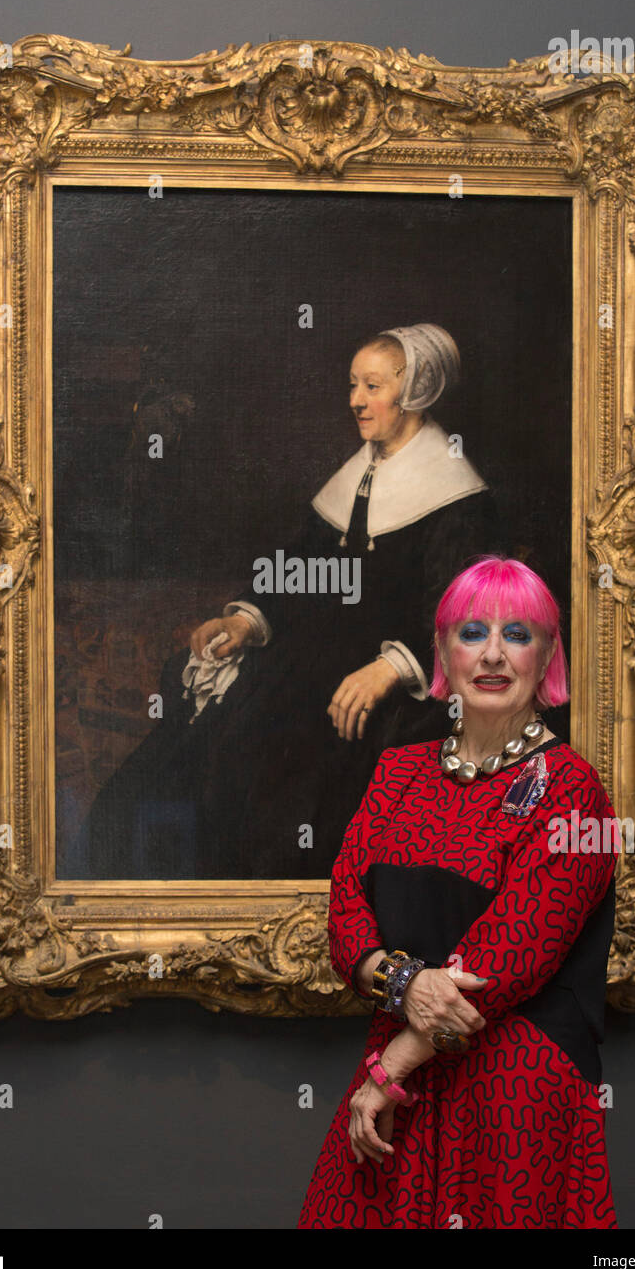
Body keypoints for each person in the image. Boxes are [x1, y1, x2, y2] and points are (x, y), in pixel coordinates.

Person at [68, 324, 506, 880]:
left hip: (395, 686)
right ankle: (130, 879)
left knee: (277, 766)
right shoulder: (359, 474)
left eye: (371, 386)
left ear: (414, 389)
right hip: (314, 662)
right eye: (352, 385)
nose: (354, 400)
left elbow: (470, 618)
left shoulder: (458, 496)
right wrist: (246, 620)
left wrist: (390, 669)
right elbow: (299, 565)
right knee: (201, 722)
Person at [298, 556, 619, 1229]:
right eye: (473, 632)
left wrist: (391, 1069)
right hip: (399, 1083)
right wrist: (406, 983)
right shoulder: (397, 773)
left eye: (519, 633)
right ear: (443, 649)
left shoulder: (572, 790)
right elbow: (345, 912)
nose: (494, 654)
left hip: (514, 1088)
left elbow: (510, 955)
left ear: (549, 653)